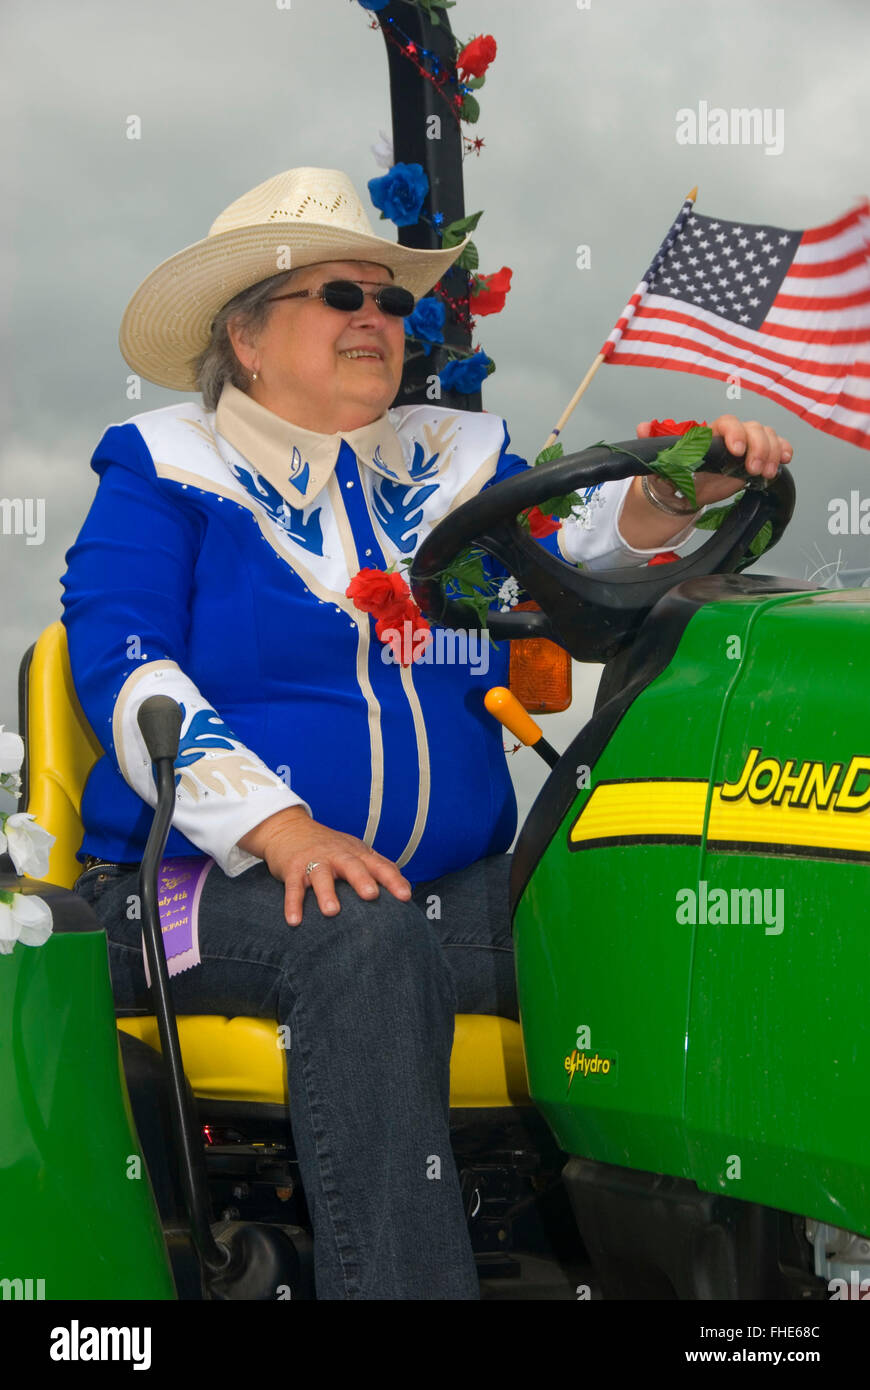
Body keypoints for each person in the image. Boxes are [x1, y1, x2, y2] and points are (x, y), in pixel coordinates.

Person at [62, 167, 792, 1299]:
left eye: (392, 303)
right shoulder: (162, 469)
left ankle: (725, 1283)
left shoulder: (454, 458)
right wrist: (282, 825)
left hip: (433, 888)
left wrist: (676, 491)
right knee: (364, 934)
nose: (375, 319)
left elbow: (576, 543)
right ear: (244, 340)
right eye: (336, 296)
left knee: (657, 905)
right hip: (185, 893)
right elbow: (122, 665)